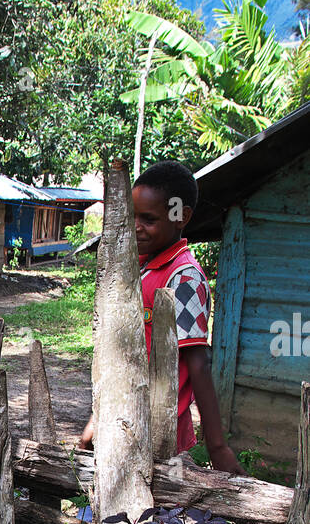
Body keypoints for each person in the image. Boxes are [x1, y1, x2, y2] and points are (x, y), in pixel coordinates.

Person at [77, 160, 244, 474]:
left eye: (149, 219)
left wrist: (218, 446)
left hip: (159, 429)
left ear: (181, 216)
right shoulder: (139, 267)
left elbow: (198, 363)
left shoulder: (184, 280)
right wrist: (96, 418)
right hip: (124, 417)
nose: (136, 226)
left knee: (154, 515)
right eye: (132, 216)